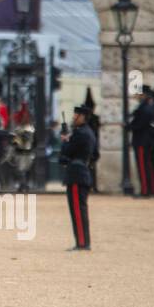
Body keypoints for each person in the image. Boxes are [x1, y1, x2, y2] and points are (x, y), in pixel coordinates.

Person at [61, 104, 95, 251]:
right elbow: (96, 154)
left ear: (84, 117)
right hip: (83, 171)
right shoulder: (88, 132)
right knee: (80, 210)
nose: (74, 117)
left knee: (77, 210)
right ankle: (82, 241)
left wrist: (65, 140)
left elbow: (66, 153)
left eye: (77, 115)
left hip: (76, 174)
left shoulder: (80, 133)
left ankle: (82, 243)